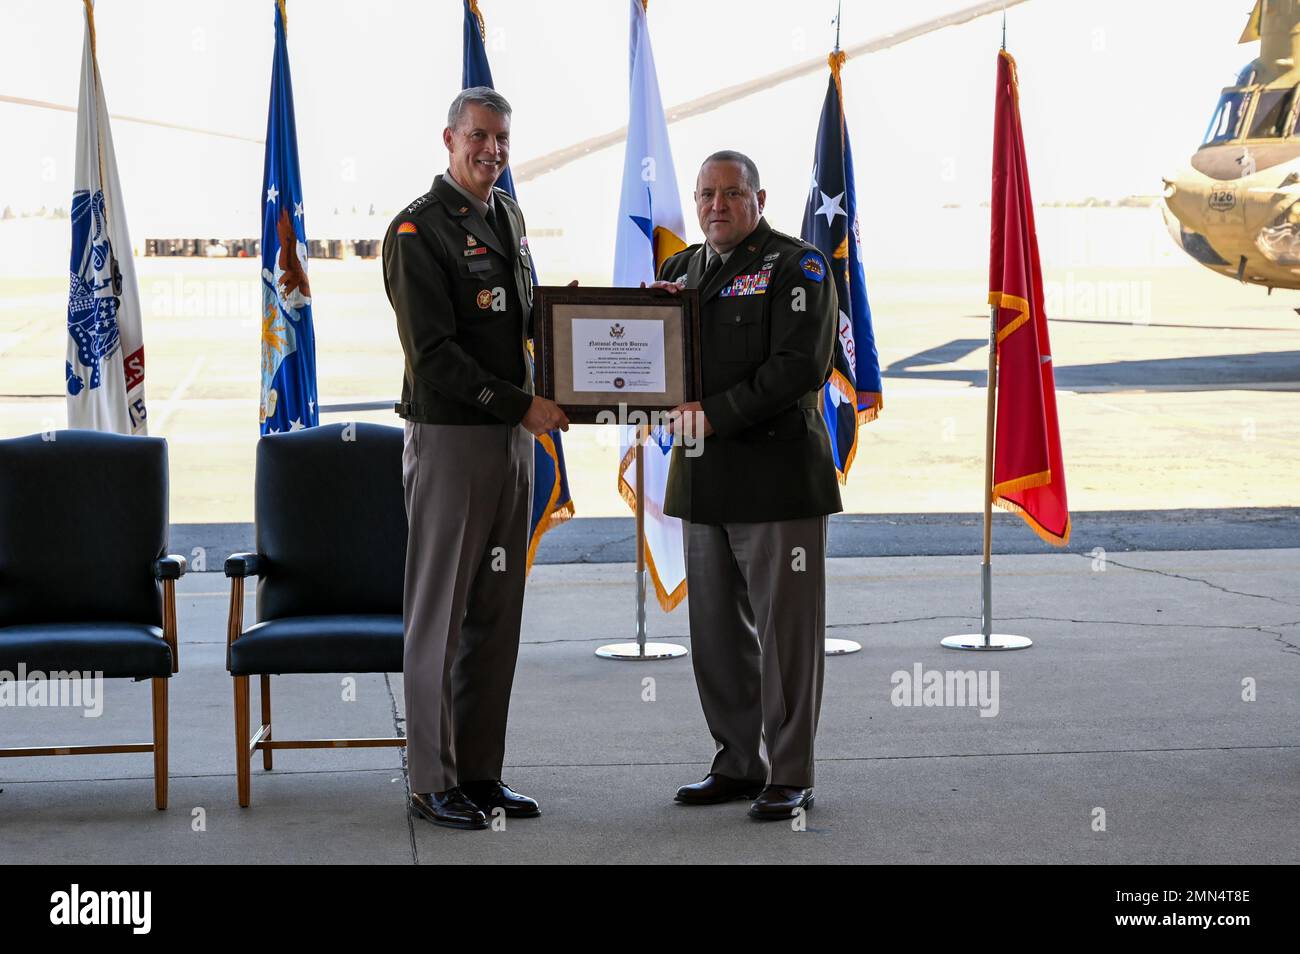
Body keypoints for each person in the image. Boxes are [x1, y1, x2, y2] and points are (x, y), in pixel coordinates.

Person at [382, 87, 569, 830]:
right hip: (455, 439)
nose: (492, 150)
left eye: (501, 140)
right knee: (441, 615)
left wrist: (568, 330)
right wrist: (520, 406)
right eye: (479, 137)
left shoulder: (507, 215)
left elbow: (519, 321)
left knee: (496, 611)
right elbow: (433, 358)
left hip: (510, 443)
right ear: (450, 138)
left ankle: (480, 774)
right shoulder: (416, 231)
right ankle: (432, 780)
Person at [655, 150, 842, 820]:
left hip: (777, 480)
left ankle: (790, 773)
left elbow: (799, 367)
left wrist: (714, 413)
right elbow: (656, 360)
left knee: (785, 636)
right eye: (706, 193)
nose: (715, 206)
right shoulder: (680, 270)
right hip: (703, 479)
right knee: (716, 636)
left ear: (759, 198)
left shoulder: (798, 267)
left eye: (731, 194)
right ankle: (737, 762)